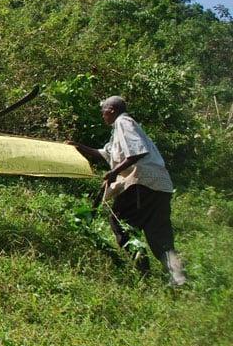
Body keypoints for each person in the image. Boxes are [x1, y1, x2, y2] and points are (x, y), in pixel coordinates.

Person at [68, 96, 187, 286]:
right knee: (159, 235)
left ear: (112, 110)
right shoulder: (118, 131)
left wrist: (114, 172)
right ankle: (179, 279)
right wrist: (78, 147)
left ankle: (143, 271)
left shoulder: (124, 122)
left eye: (104, 111)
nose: (102, 115)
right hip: (161, 185)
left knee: (120, 223)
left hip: (143, 183)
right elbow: (104, 153)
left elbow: (138, 152)